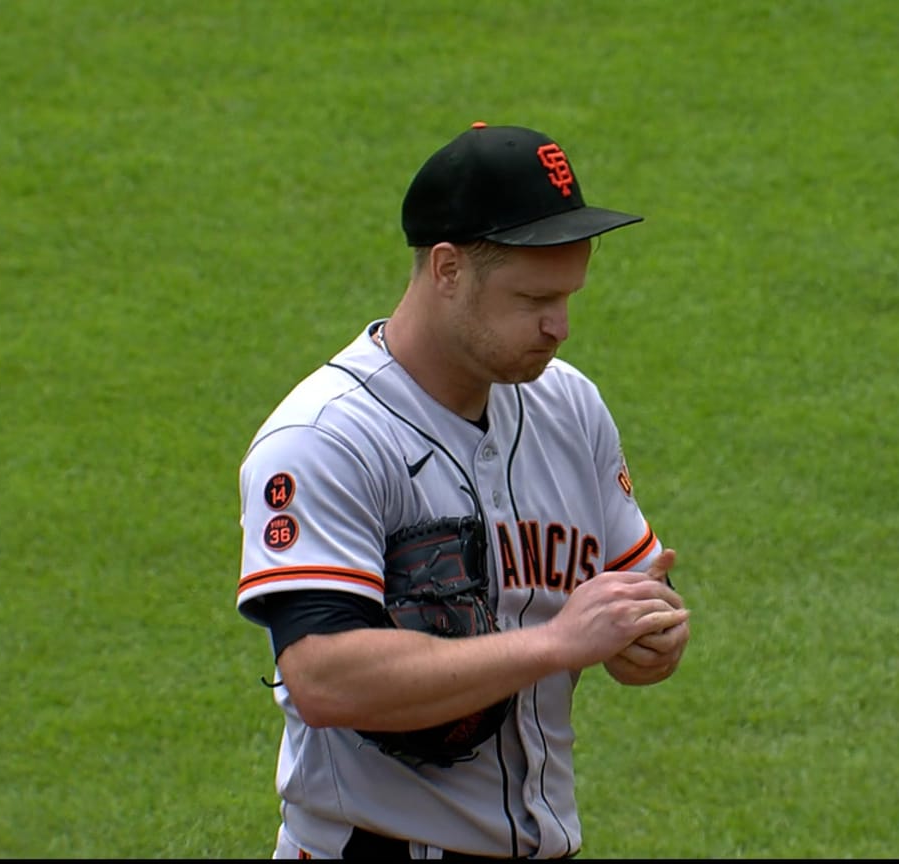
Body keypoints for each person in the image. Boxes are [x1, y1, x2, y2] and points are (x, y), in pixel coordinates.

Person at [234, 121, 691, 860]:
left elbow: (634, 588)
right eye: (533, 298)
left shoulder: (568, 407)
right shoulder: (325, 439)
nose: (560, 326)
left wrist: (650, 636)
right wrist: (554, 643)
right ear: (447, 269)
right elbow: (321, 676)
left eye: (570, 295)